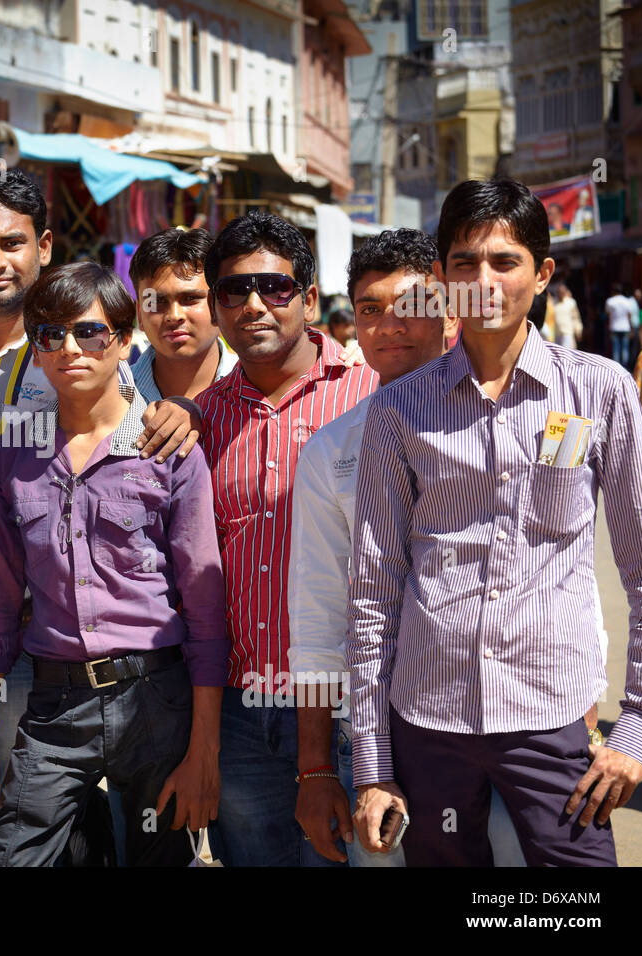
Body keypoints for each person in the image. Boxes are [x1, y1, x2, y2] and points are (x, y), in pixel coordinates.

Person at [348, 178, 642, 866]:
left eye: (505, 261)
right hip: (426, 722)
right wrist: (372, 764)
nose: (483, 279)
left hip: (551, 719)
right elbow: (373, 588)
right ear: (442, 278)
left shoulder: (599, 390)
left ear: (542, 274)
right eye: (463, 263)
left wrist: (638, 726)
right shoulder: (399, 410)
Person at [0, 262, 226, 865]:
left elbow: (206, 609)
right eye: (49, 336)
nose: (70, 349)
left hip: (157, 697)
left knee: (161, 859)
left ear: (125, 342)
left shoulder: (168, 448)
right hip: (54, 704)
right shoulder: (11, 454)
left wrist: (202, 749)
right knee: (12, 856)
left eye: (90, 332)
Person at [289, 228, 534, 868]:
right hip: (379, 742)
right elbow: (318, 622)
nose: (390, 326)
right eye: (370, 310)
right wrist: (316, 769)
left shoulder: (510, 423)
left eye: (412, 306)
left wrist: (589, 715)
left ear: (449, 312)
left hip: (517, 723)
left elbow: (561, 569)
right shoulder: (331, 453)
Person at [194, 209, 378, 867]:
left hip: (355, 711)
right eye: (233, 291)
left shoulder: (373, 396)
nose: (253, 305)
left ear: (307, 297)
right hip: (246, 714)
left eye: (273, 287)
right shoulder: (202, 421)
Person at [128, 226, 239, 403]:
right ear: (139, 315)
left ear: (219, 304)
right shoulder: (113, 399)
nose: (174, 315)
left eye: (190, 298)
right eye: (158, 301)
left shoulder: (257, 389)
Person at [604, 282, 635, 369]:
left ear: (613, 291)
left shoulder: (610, 301)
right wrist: (631, 327)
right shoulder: (627, 301)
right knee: (625, 348)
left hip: (614, 327)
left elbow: (607, 314)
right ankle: (624, 367)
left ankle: (617, 368)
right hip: (625, 327)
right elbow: (629, 315)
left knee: (616, 348)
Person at [552, 282, 583, 350]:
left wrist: (578, 330)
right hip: (556, 334)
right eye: (559, 292)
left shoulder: (571, 302)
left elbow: (575, 318)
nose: (561, 294)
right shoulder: (552, 303)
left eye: (563, 292)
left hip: (567, 334)